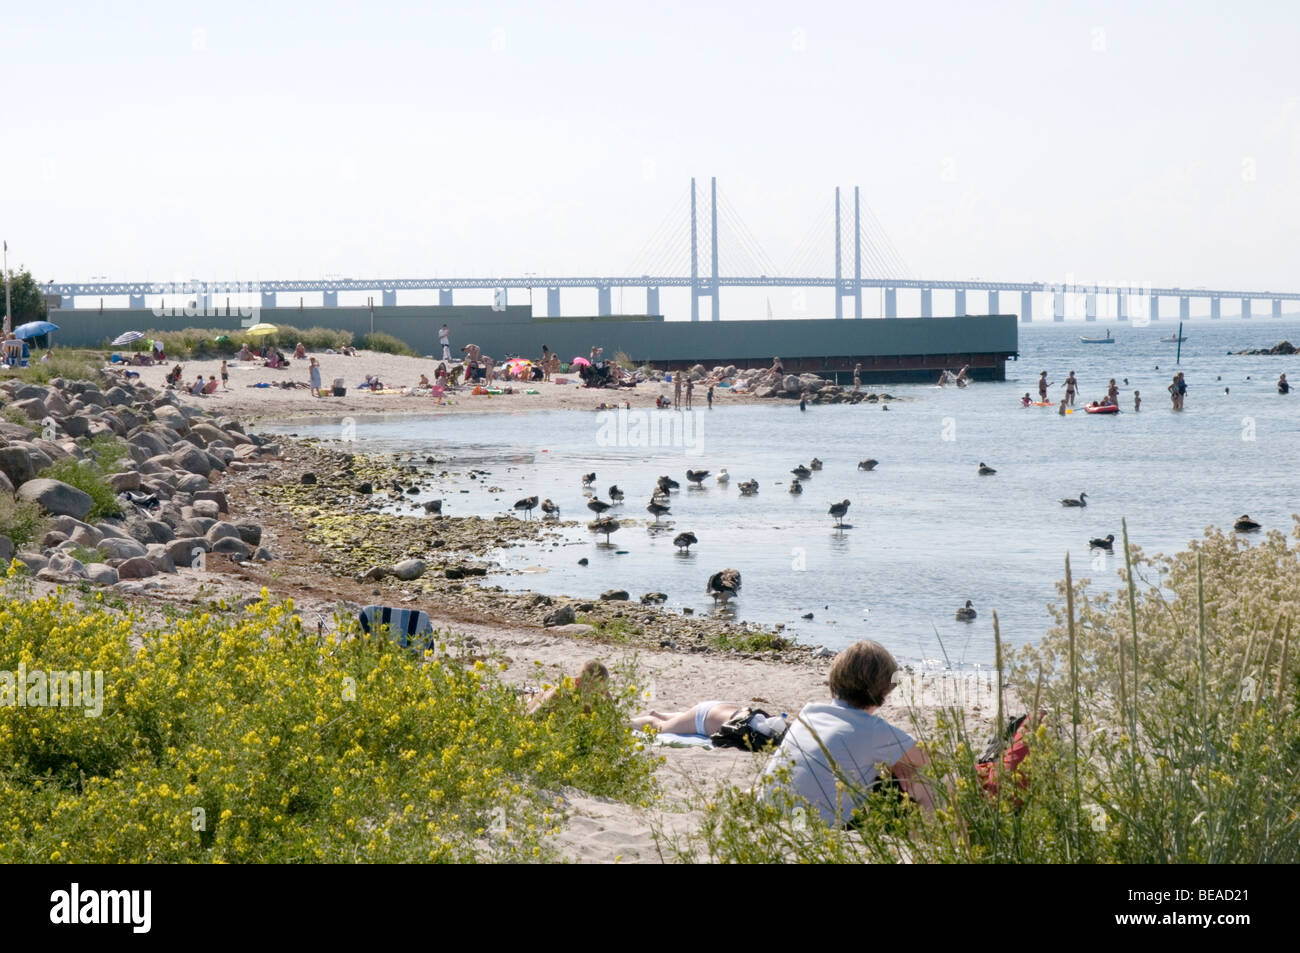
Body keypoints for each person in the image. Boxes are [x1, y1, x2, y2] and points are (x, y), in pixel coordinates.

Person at [760, 640, 932, 826]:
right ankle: (931, 843)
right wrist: (899, 762)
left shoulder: (809, 713)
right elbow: (932, 762)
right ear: (884, 691)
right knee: (923, 780)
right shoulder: (872, 729)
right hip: (812, 824)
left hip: (775, 812)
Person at [528, 661, 610, 716]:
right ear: (578, 683)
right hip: (529, 698)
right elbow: (530, 716)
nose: (598, 694)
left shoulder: (602, 698)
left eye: (602, 690)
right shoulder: (559, 696)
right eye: (594, 689)